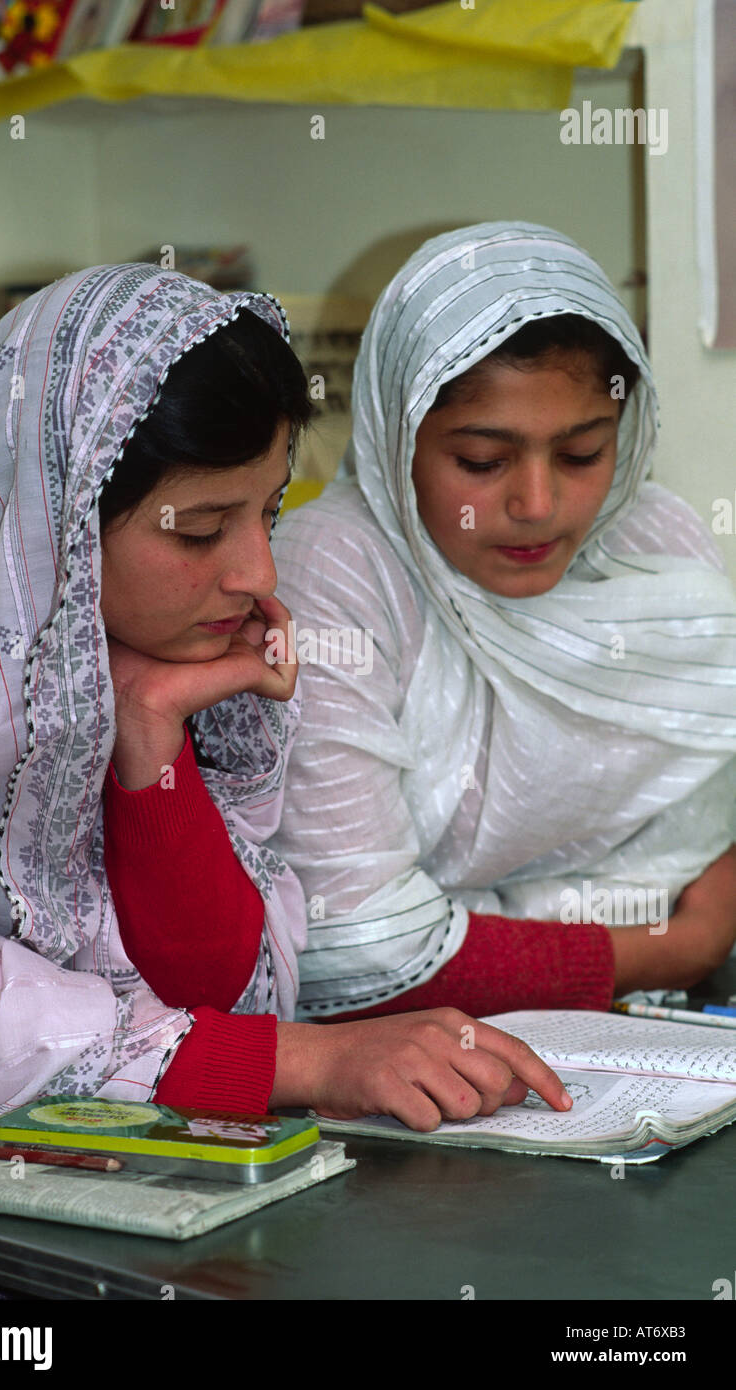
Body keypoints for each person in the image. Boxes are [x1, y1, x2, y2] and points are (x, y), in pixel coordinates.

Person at [0, 262, 570, 1144]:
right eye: (203, 530)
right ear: (54, 520)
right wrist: (309, 1063)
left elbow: (215, 995)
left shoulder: (134, 661)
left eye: (268, 513)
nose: (257, 572)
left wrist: (150, 734)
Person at [271, 222, 736, 1025]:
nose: (537, 505)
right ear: (395, 437)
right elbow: (354, 948)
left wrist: (490, 940)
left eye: (582, 454)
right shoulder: (334, 569)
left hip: (636, 1035)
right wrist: (675, 948)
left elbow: (702, 837)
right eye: (482, 462)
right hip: (391, 1050)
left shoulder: (650, 546)